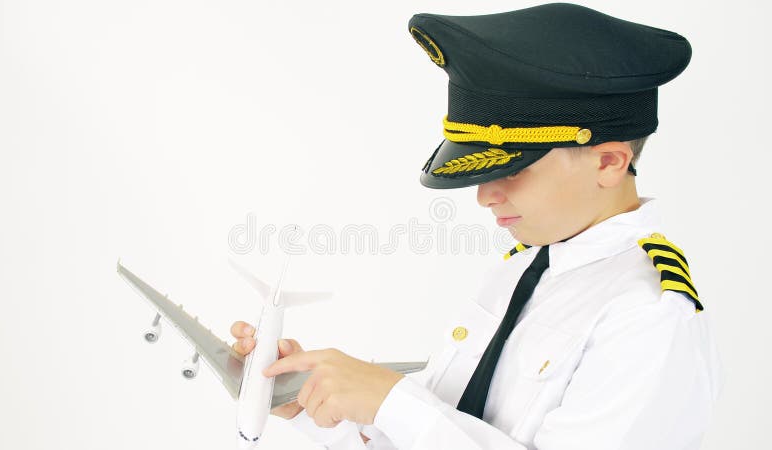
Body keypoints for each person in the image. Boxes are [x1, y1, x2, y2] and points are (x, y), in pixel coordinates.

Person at [230, 3, 723, 449]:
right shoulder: (525, 263)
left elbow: (425, 423)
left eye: (512, 168)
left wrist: (393, 401)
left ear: (609, 163)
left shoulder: (647, 315)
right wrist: (318, 405)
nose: (485, 196)